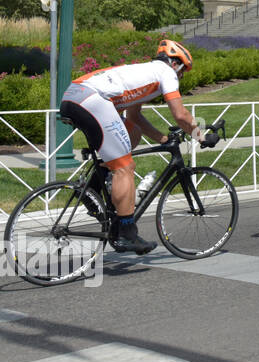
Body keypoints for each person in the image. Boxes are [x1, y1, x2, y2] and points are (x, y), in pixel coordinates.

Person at [59, 39, 204, 254]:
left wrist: (162, 139)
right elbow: (180, 114)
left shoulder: (145, 71)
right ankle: (127, 232)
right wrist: (201, 136)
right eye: (183, 72)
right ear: (176, 64)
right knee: (125, 167)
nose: (181, 77)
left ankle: (94, 189)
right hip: (91, 100)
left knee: (132, 131)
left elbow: (135, 116)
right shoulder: (167, 72)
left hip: (74, 96)